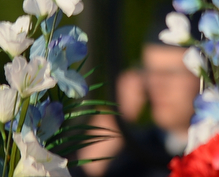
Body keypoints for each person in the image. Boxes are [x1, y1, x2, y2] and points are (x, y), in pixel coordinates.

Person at [83, 10, 201, 177]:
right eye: (149, 71)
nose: (156, 84)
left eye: (171, 72)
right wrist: (114, 119)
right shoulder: (132, 155)